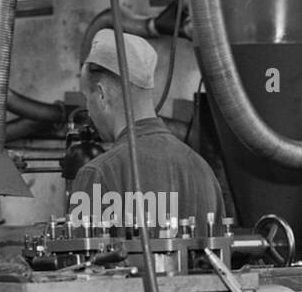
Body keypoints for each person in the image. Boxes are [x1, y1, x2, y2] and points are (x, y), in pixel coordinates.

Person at [70, 31, 226, 230]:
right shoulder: (202, 171)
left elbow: (78, 259)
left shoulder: (97, 175)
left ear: (101, 94)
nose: (89, 112)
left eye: (87, 98)